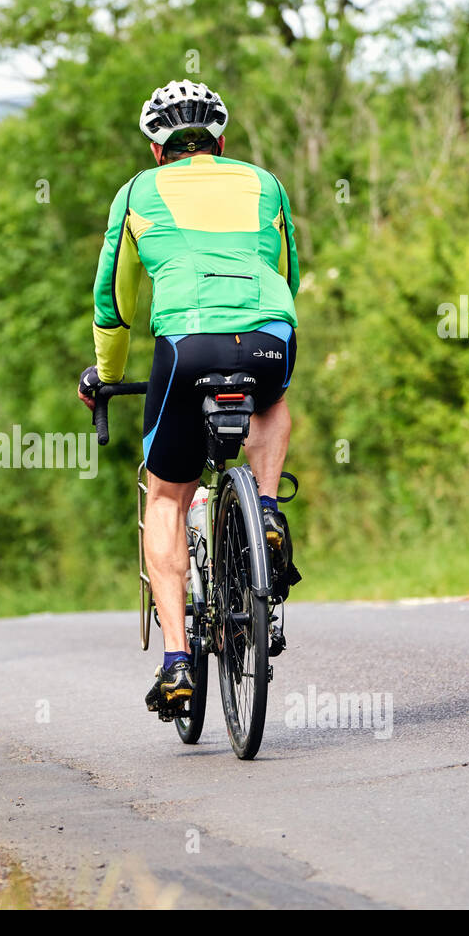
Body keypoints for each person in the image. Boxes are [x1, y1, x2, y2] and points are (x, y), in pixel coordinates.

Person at [76, 80, 302, 715]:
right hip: (267, 333)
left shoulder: (136, 194)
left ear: (157, 149)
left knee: (167, 496)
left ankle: (177, 660)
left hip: (188, 344)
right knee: (272, 402)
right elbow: (286, 272)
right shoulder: (265, 182)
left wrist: (104, 372)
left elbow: (113, 302)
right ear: (221, 142)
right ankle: (266, 511)